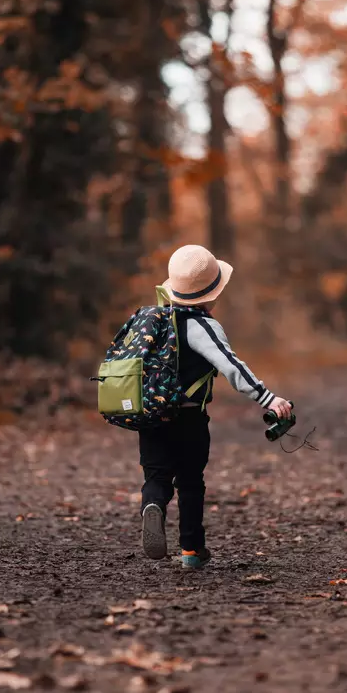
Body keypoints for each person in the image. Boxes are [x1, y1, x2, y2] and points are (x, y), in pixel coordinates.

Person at [140, 244, 292, 570]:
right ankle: (192, 551)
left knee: (157, 475)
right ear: (211, 293)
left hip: (150, 415)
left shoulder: (153, 321)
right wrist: (268, 398)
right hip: (188, 417)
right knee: (191, 482)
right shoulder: (202, 325)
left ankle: (152, 505)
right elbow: (231, 365)